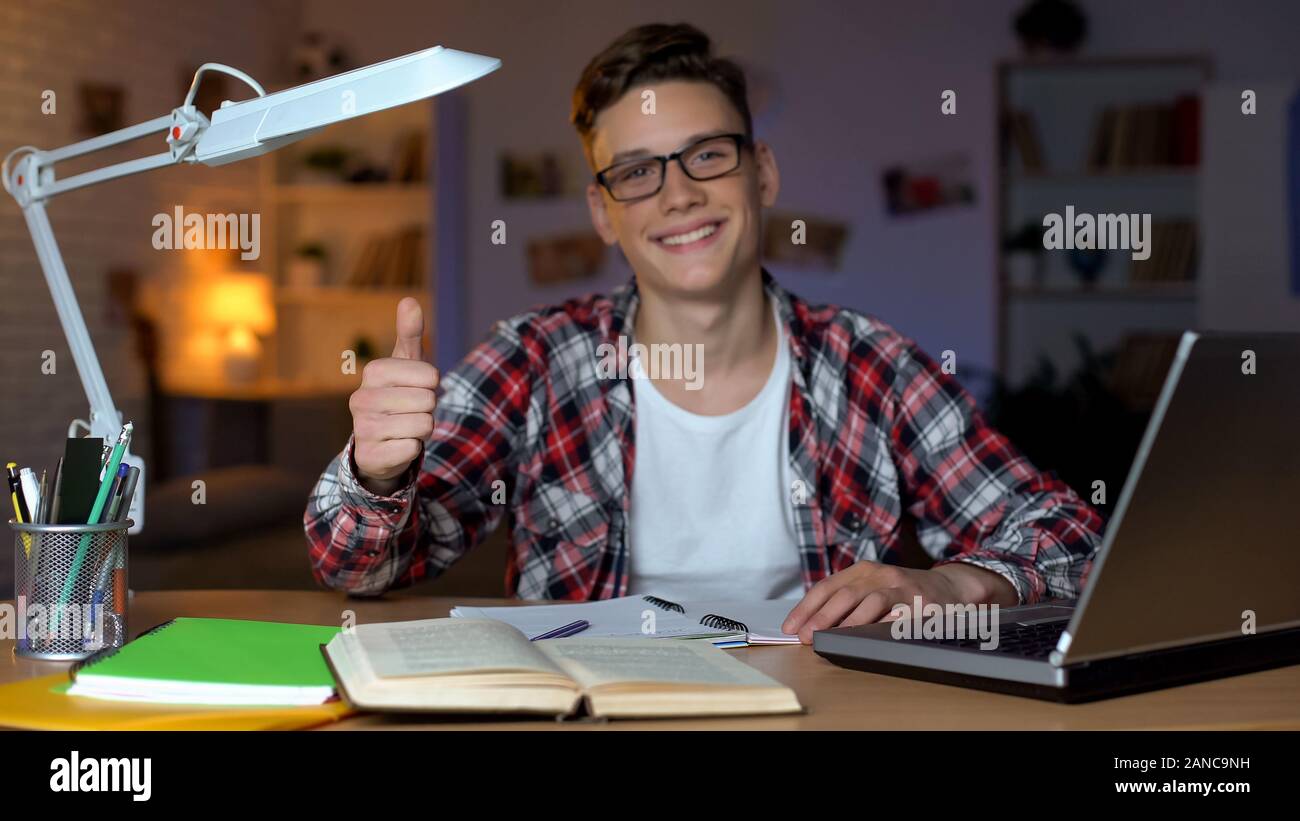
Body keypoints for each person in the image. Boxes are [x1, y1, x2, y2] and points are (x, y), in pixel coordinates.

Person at [305, 22, 1103, 644]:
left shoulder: (872, 363)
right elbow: (359, 569)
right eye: (638, 171)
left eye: (706, 157)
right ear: (603, 212)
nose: (678, 195)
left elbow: (1071, 539)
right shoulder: (533, 359)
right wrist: (374, 477)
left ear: (763, 173)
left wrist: (952, 585)